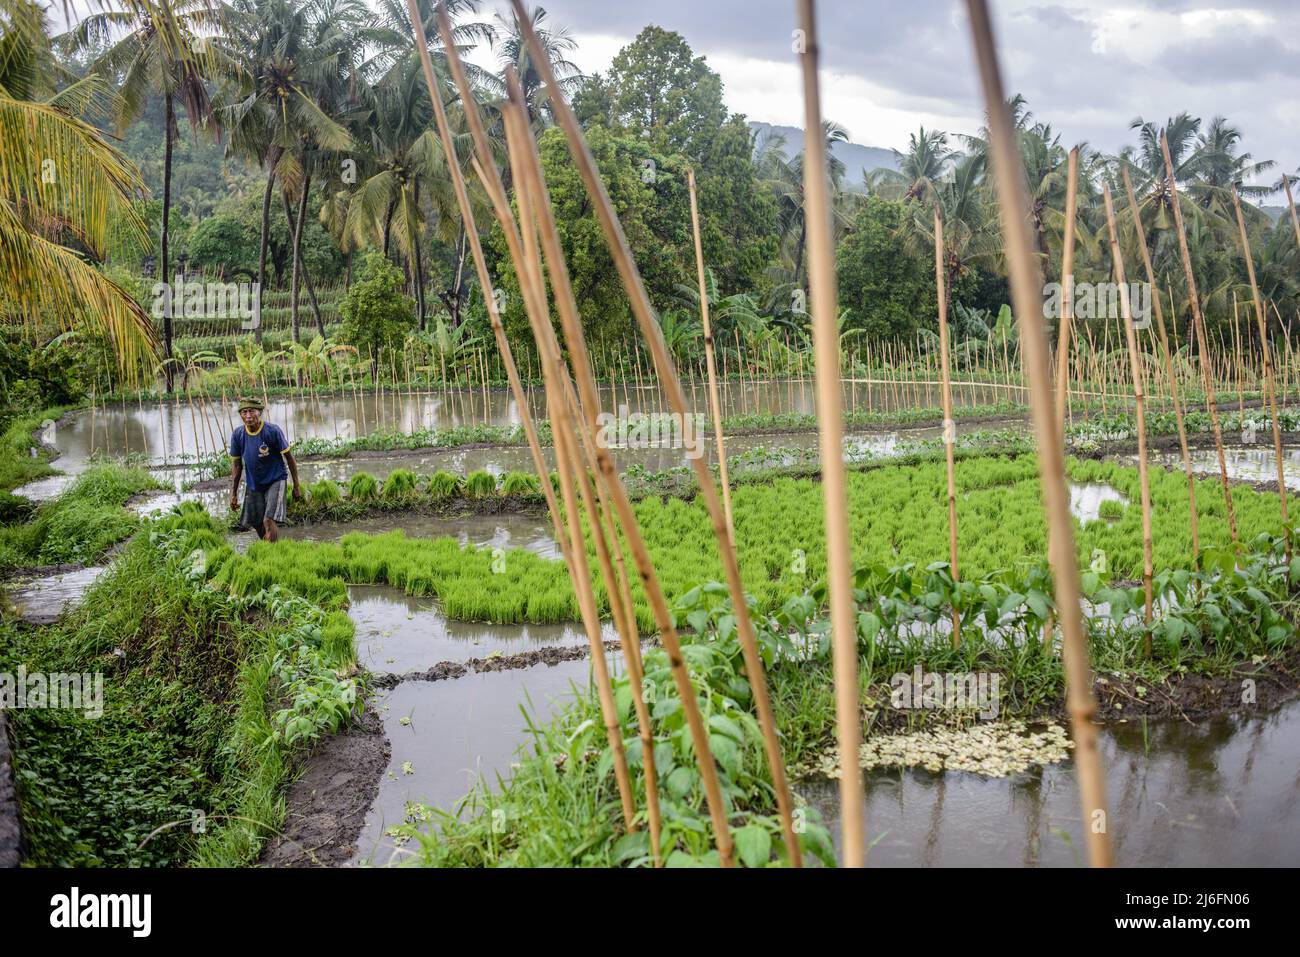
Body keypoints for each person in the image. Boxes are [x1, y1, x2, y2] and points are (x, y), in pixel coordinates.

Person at [229, 398, 302, 542]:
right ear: (241, 415)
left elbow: (290, 458)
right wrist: (233, 493)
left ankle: (271, 552)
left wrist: (296, 486)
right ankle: (267, 549)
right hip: (254, 484)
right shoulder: (238, 435)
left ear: (260, 413)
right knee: (256, 522)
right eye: (244, 412)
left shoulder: (272, 431)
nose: (248, 416)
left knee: (268, 519)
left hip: (276, 479)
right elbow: (237, 467)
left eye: (252, 411)